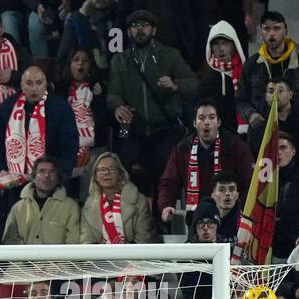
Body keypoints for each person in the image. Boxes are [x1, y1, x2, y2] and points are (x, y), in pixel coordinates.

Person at [105, 10, 199, 195]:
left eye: (144, 25)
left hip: (165, 128)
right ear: (129, 32)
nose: (140, 30)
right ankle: (120, 213)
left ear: (153, 30)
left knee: (165, 173)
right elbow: (113, 93)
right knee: (117, 166)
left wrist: (175, 84)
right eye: (135, 26)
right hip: (131, 128)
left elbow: (194, 84)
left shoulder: (171, 55)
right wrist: (117, 107)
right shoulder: (120, 60)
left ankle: (162, 215)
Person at [155, 100, 252, 225]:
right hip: (197, 218)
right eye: (201, 118)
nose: (206, 122)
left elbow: (249, 182)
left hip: (230, 217)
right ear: (195, 123)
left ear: (219, 122)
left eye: (211, 118)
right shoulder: (183, 149)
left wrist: (242, 210)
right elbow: (169, 182)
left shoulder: (235, 146)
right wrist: (166, 205)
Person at [0, 65, 80, 191]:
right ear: (21, 85)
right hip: (14, 182)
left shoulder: (61, 108)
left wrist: (60, 176)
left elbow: (70, 146)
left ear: (46, 85)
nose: (34, 89)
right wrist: (0, 171)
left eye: (39, 83)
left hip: (51, 182)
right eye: (29, 83)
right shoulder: (7, 107)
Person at [239, 11, 299, 130]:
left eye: (276, 28)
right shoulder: (251, 65)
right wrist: (251, 114)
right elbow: (241, 100)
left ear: (285, 30)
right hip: (263, 132)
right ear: (260, 31)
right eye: (267, 29)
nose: (271, 34)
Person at [2, 155, 81, 244]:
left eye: (52, 171)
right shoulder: (18, 208)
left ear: (58, 178)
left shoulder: (71, 207)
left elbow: (73, 243)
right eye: (42, 171)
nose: (47, 175)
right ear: (33, 177)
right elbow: (10, 241)